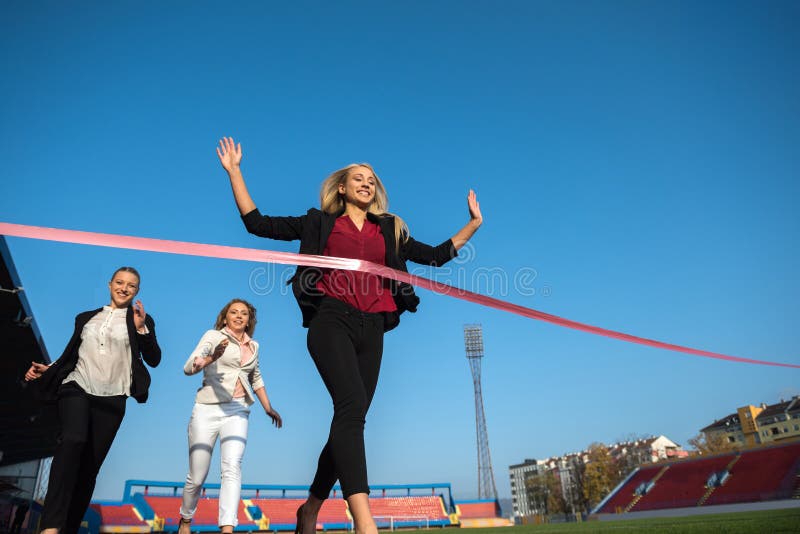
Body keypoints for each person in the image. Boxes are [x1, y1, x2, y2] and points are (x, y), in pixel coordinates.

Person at [216, 137, 482, 534]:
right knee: (352, 406)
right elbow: (257, 224)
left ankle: (310, 508)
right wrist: (235, 172)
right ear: (341, 187)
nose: (367, 184)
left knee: (351, 417)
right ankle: (363, 519)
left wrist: (473, 224)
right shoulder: (318, 222)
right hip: (330, 319)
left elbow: (435, 256)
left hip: (373, 327)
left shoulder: (390, 229)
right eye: (359, 179)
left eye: (372, 180)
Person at [24, 267, 161, 534]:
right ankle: (50, 526)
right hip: (78, 386)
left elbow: (154, 359)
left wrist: (142, 329)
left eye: (131, 285)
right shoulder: (86, 317)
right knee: (73, 440)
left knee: (89, 468)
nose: (124, 288)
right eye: (119, 282)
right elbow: (73, 355)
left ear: (137, 291)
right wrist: (48, 369)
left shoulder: (140, 319)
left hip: (114, 396)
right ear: (110, 284)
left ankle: (69, 528)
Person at [178, 299, 282, 534]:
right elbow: (188, 368)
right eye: (233, 312)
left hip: (237, 409)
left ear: (249, 319)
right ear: (225, 317)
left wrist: (268, 407)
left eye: (244, 313)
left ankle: (227, 528)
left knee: (232, 467)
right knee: (197, 476)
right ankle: (185, 519)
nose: (238, 316)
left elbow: (255, 377)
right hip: (207, 408)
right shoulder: (213, 336)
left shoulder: (254, 346)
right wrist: (209, 359)